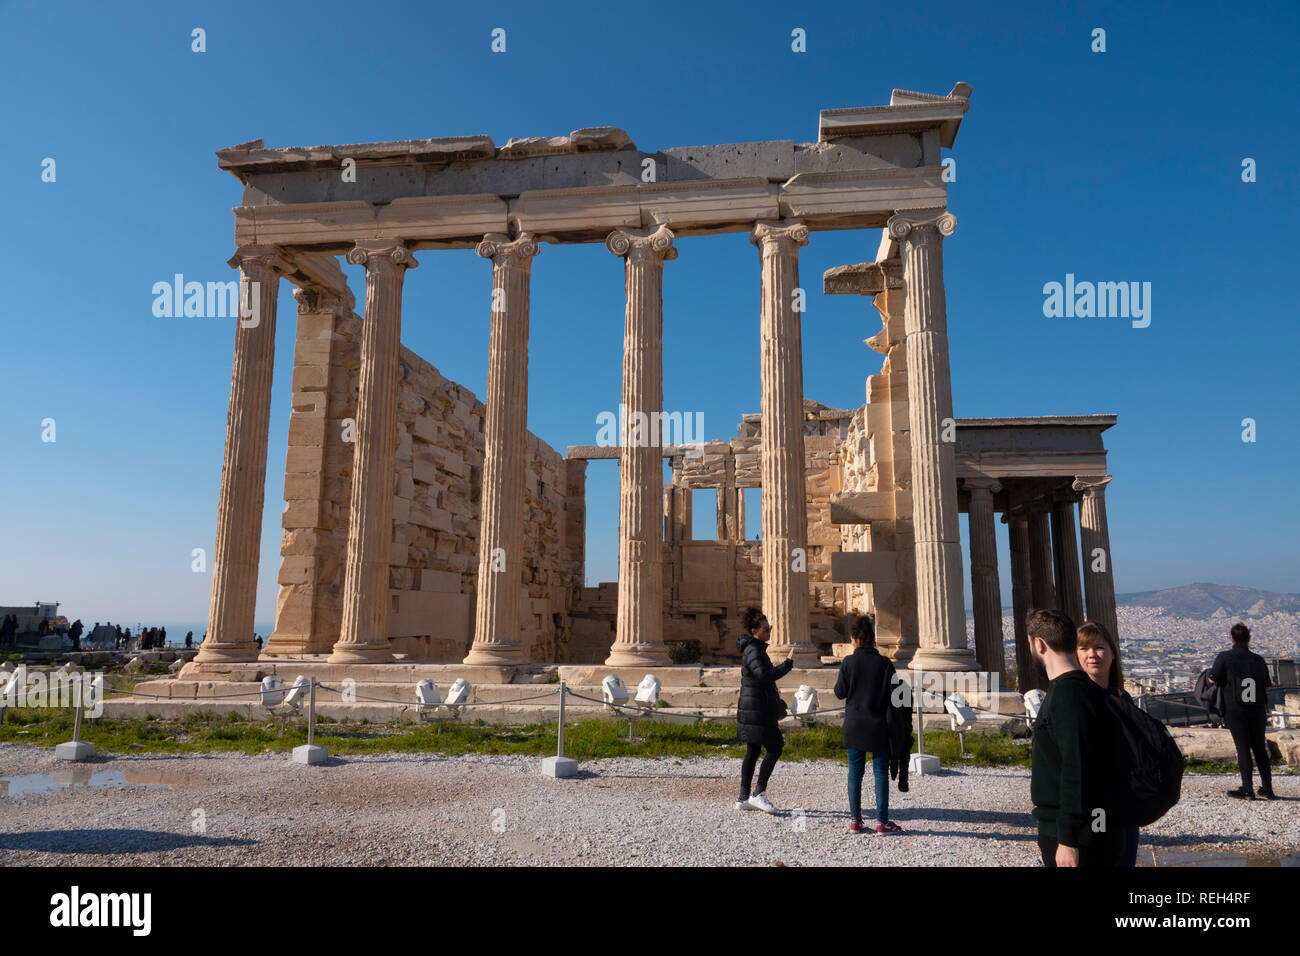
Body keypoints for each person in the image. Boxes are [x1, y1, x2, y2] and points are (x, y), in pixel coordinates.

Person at [1027, 607, 1123, 867]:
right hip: (1081, 827)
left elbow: (1075, 768)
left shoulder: (1068, 693)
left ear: (1039, 644)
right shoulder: (1076, 689)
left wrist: (1068, 840)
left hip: (1075, 834)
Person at [833, 614, 904, 834]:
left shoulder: (848, 662)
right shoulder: (885, 664)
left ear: (855, 639)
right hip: (878, 726)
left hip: (854, 726)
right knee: (880, 772)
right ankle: (882, 822)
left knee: (855, 772)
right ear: (872, 639)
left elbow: (839, 693)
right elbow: (896, 698)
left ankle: (855, 820)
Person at [1076, 621, 1139, 867]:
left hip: (1124, 802)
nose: (1092, 654)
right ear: (1075, 655)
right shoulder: (1074, 700)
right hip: (1093, 803)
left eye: (1100, 647)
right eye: (1084, 648)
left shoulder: (1124, 699)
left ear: (1112, 654)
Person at [734, 607, 794, 813]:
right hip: (758, 709)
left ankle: (743, 798)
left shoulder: (754, 648)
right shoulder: (754, 649)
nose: (769, 632)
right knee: (775, 747)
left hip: (755, 707)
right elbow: (764, 675)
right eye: (766, 629)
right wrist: (787, 664)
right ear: (754, 630)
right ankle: (758, 793)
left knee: (753, 750)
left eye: (770, 628)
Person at [1208, 623, 1275, 800]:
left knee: (1243, 748)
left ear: (1232, 638)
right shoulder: (1258, 660)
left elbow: (1213, 679)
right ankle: (1268, 789)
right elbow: (1267, 686)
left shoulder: (1225, 657)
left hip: (1235, 708)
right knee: (1259, 747)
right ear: (1249, 638)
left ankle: (1247, 790)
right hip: (1257, 708)